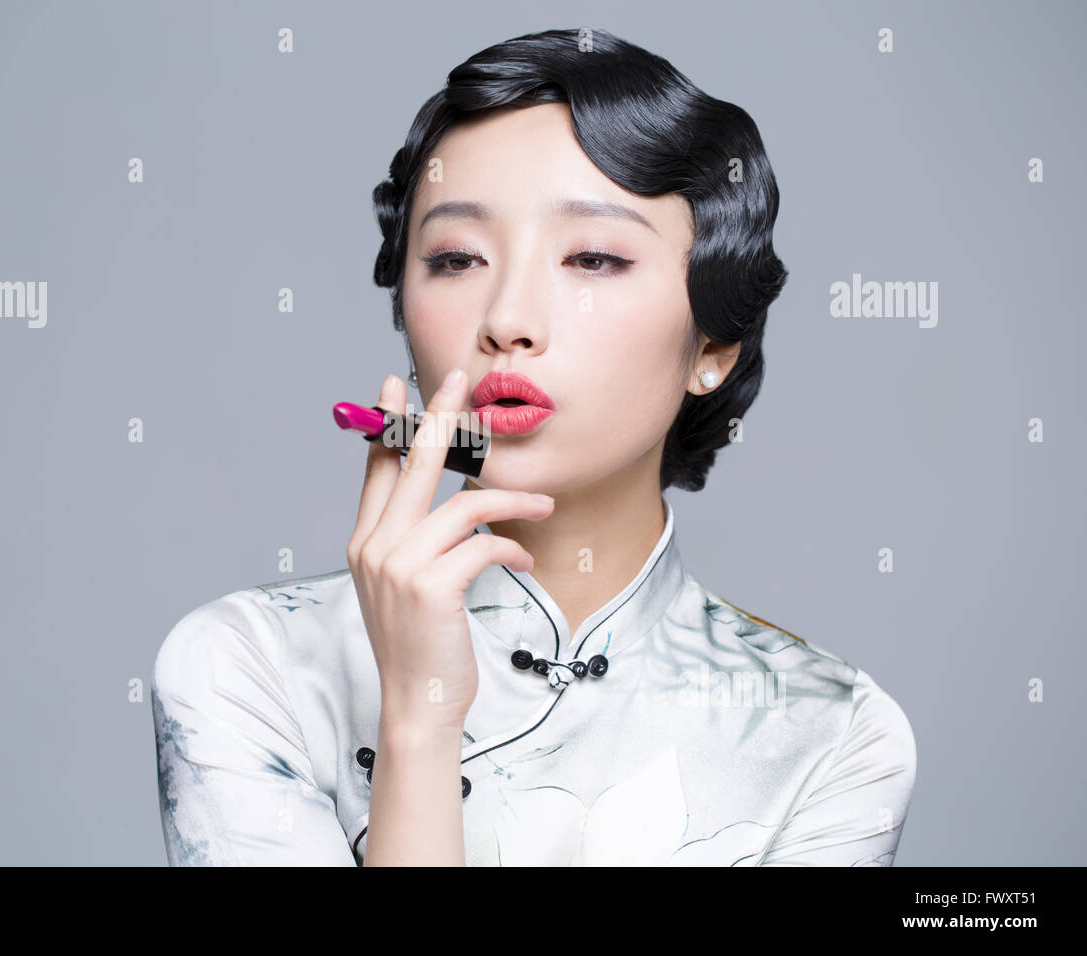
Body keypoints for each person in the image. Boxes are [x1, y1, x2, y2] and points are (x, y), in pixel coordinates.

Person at [152, 27, 916, 866]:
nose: (507, 320)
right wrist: (416, 719)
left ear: (711, 349)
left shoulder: (831, 731)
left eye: (592, 257)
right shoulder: (247, 666)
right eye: (455, 258)